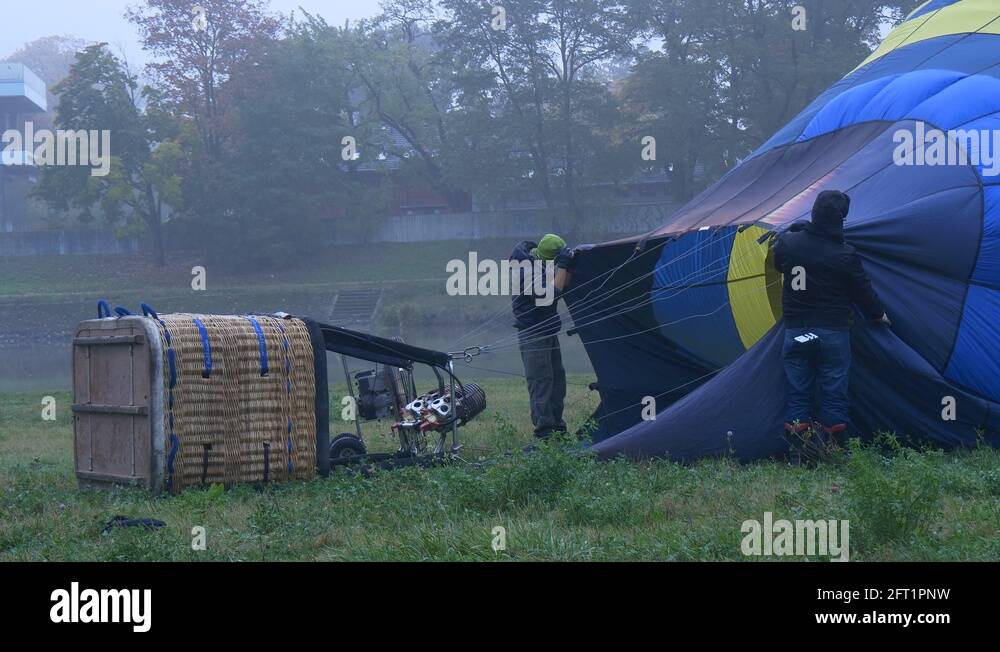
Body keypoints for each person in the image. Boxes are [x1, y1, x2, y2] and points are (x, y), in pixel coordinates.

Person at [772, 190, 890, 444]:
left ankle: (800, 455)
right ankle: (834, 453)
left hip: (797, 333)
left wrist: (796, 232)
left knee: (797, 394)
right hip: (832, 334)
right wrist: (878, 314)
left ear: (813, 212)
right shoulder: (845, 254)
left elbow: (779, 263)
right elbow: (863, 291)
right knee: (834, 394)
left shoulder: (788, 244)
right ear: (840, 219)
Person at [510, 234, 575, 439]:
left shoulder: (538, 264)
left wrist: (569, 266)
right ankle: (544, 432)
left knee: (557, 380)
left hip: (547, 330)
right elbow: (550, 296)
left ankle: (557, 427)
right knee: (541, 381)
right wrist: (563, 265)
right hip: (533, 333)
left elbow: (562, 287)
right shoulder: (525, 272)